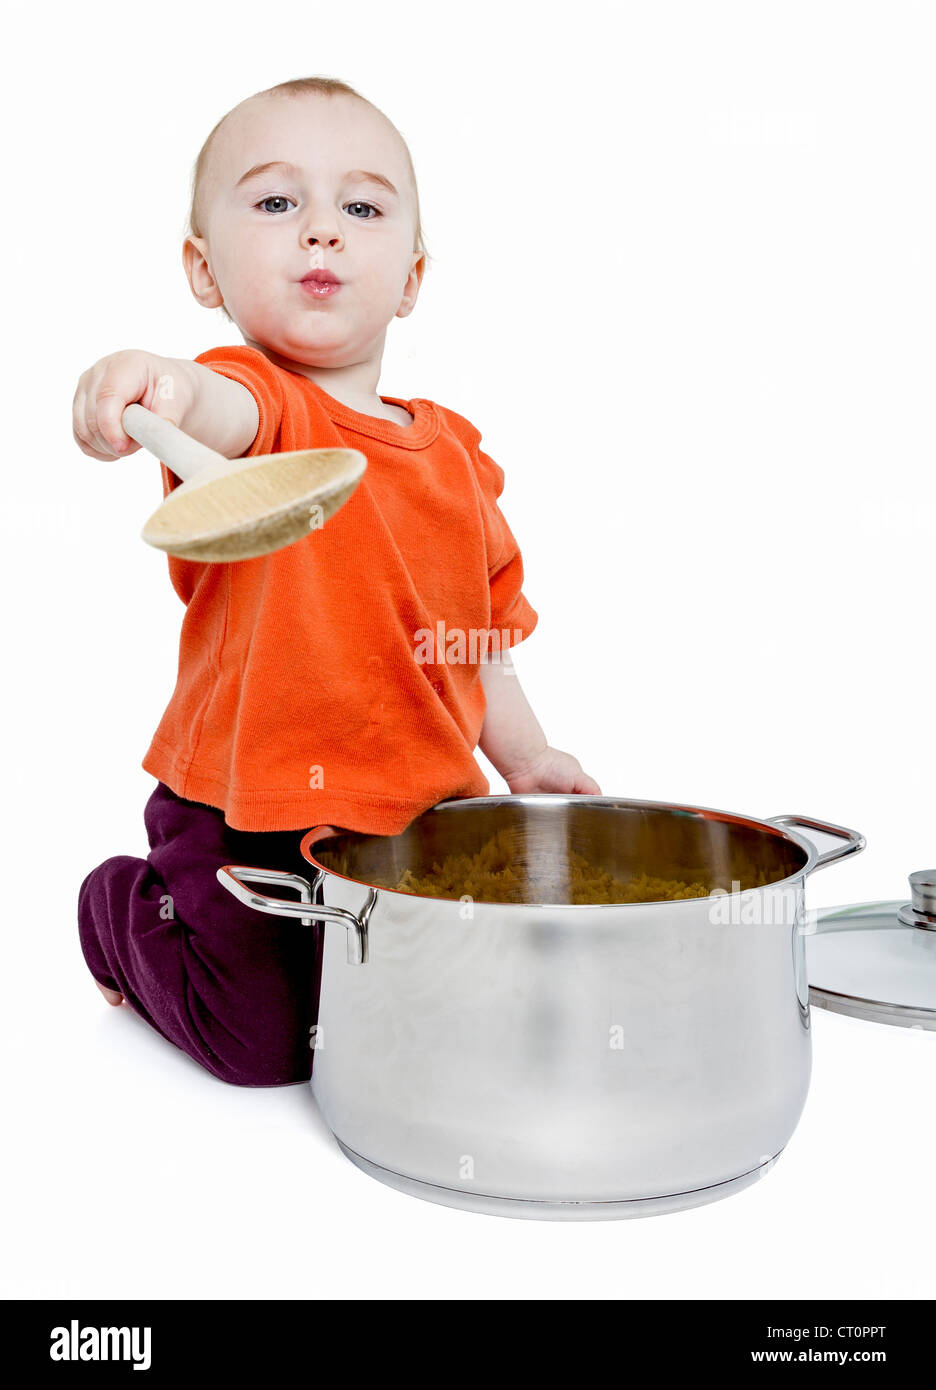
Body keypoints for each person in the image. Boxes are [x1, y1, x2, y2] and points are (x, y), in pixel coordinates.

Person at [73, 75, 601, 1087]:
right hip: (243, 812)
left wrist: (528, 757)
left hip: (407, 825)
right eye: (276, 203)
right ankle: (119, 913)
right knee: (265, 1048)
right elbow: (215, 409)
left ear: (408, 278)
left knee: (436, 1028)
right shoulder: (261, 412)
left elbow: (477, 638)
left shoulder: (457, 462)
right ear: (203, 266)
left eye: (361, 208)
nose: (321, 232)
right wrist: (162, 384)